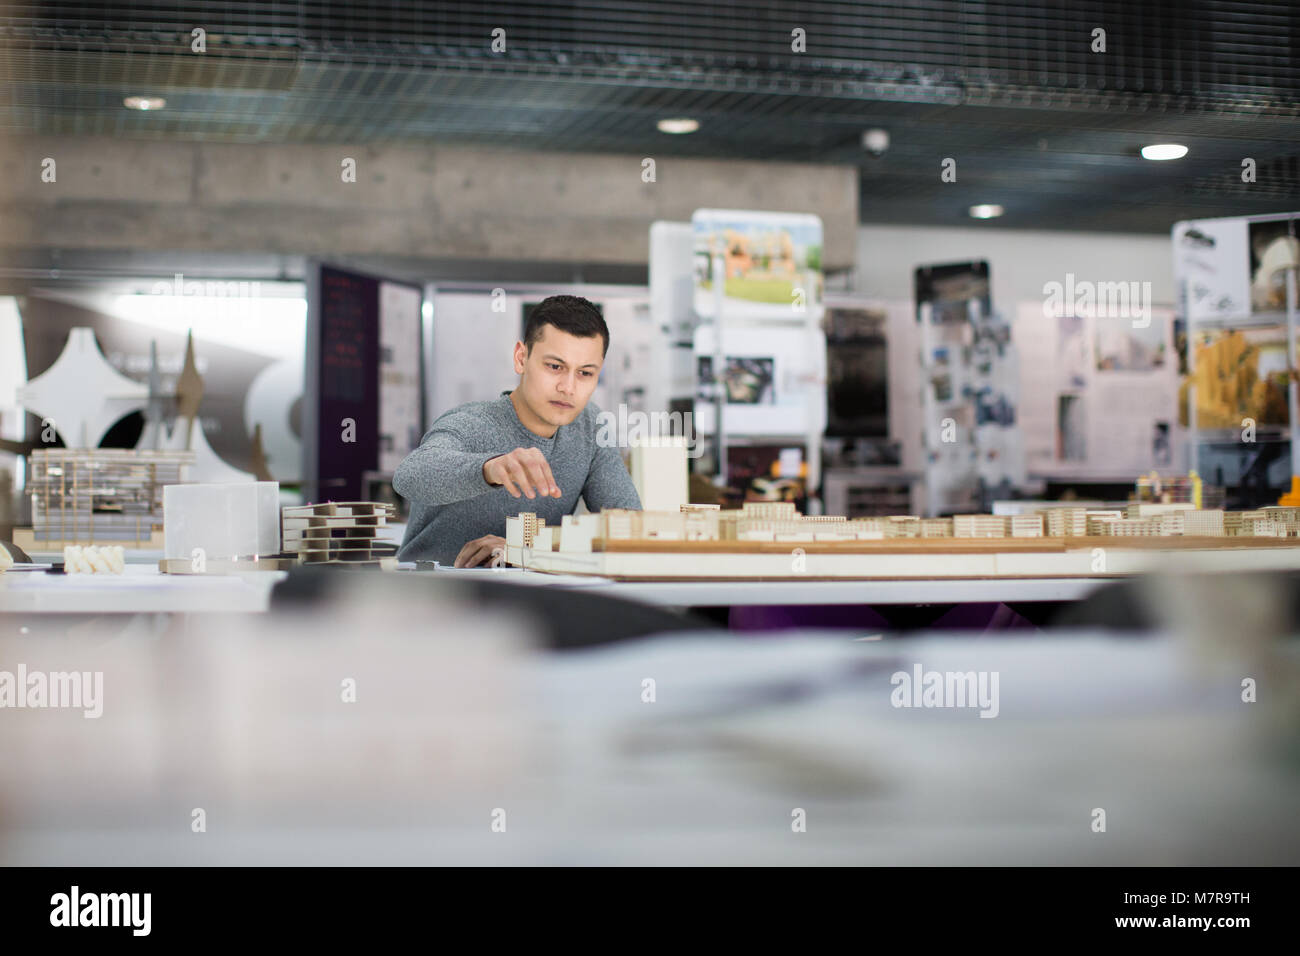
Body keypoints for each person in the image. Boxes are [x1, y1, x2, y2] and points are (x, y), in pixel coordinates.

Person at [394, 294, 641, 567]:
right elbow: (409, 476)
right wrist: (489, 469)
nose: (568, 388)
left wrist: (526, 550)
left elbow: (629, 528)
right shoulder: (471, 422)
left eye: (585, 373)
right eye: (555, 366)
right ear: (521, 358)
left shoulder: (590, 427)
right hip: (432, 597)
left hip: (524, 601)